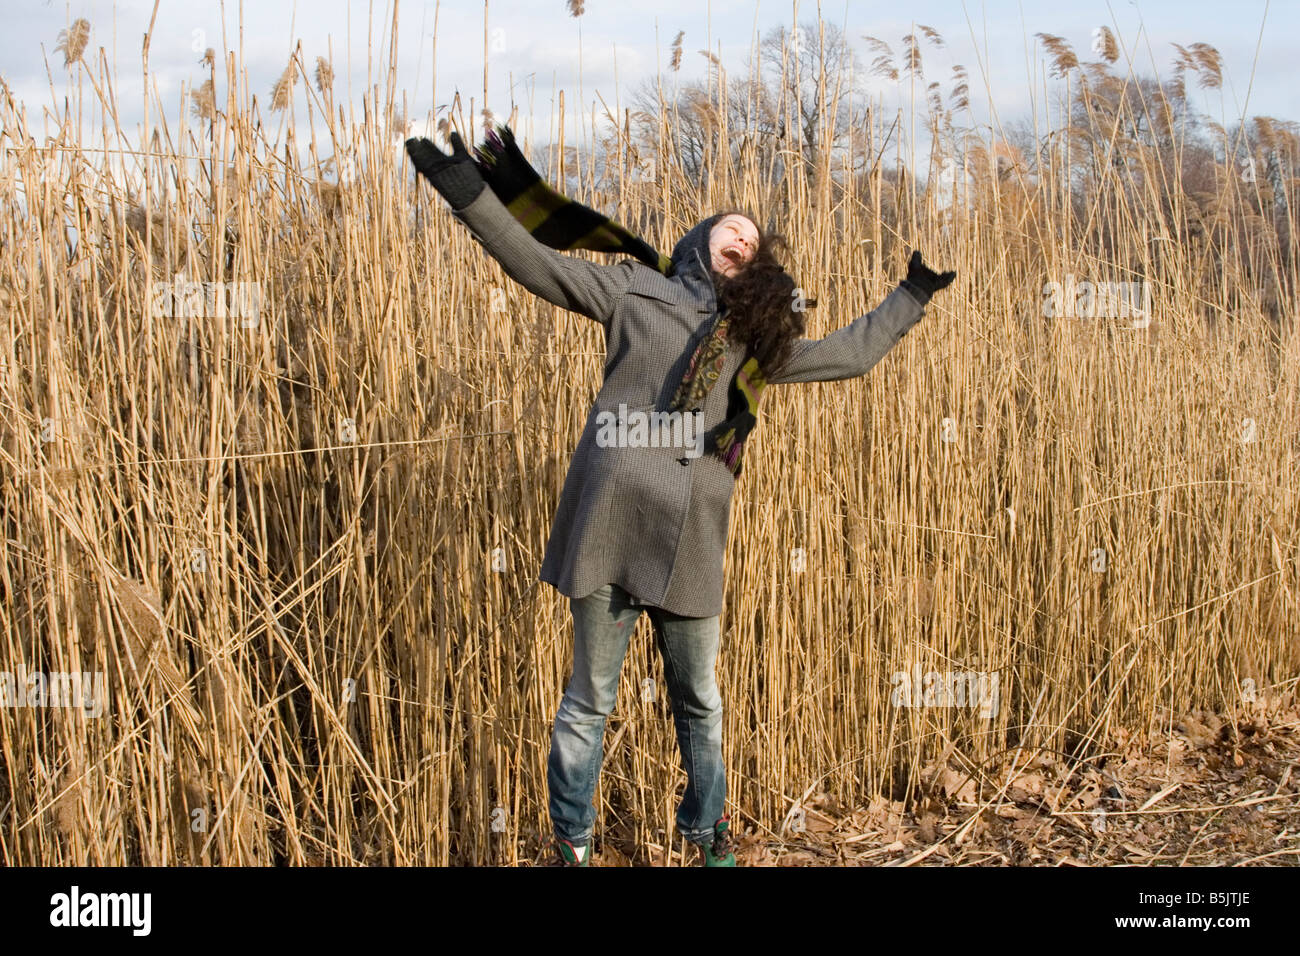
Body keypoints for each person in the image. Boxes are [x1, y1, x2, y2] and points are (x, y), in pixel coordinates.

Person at [405, 125, 956, 867]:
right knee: (589, 700)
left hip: (692, 540)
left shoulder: (756, 341)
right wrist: (461, 188)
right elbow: (534, 262)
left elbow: (851, 354)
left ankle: (706, 838)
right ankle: (573, 843)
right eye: (731, 234)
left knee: (700, 703)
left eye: (753, 246)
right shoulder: (637, 290)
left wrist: (911, 295)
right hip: (612, 523)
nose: (742, 244)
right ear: (700, 244)